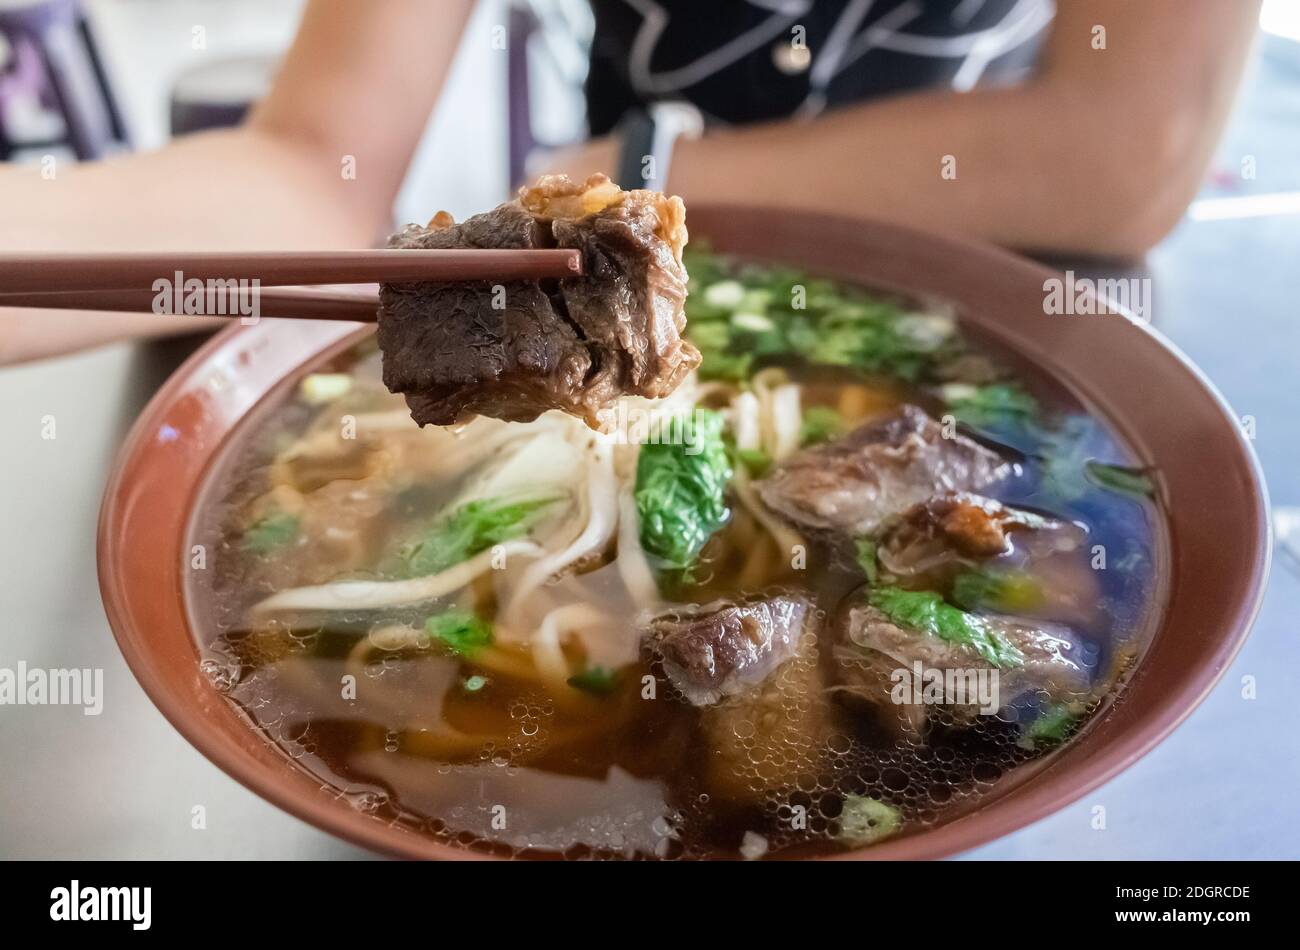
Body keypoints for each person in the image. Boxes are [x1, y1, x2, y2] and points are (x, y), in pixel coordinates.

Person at [0, 0, 1261, 364]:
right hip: (602, 275)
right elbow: (302, 166)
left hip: (1004, 270)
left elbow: (1125, 146)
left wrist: (637, 177)